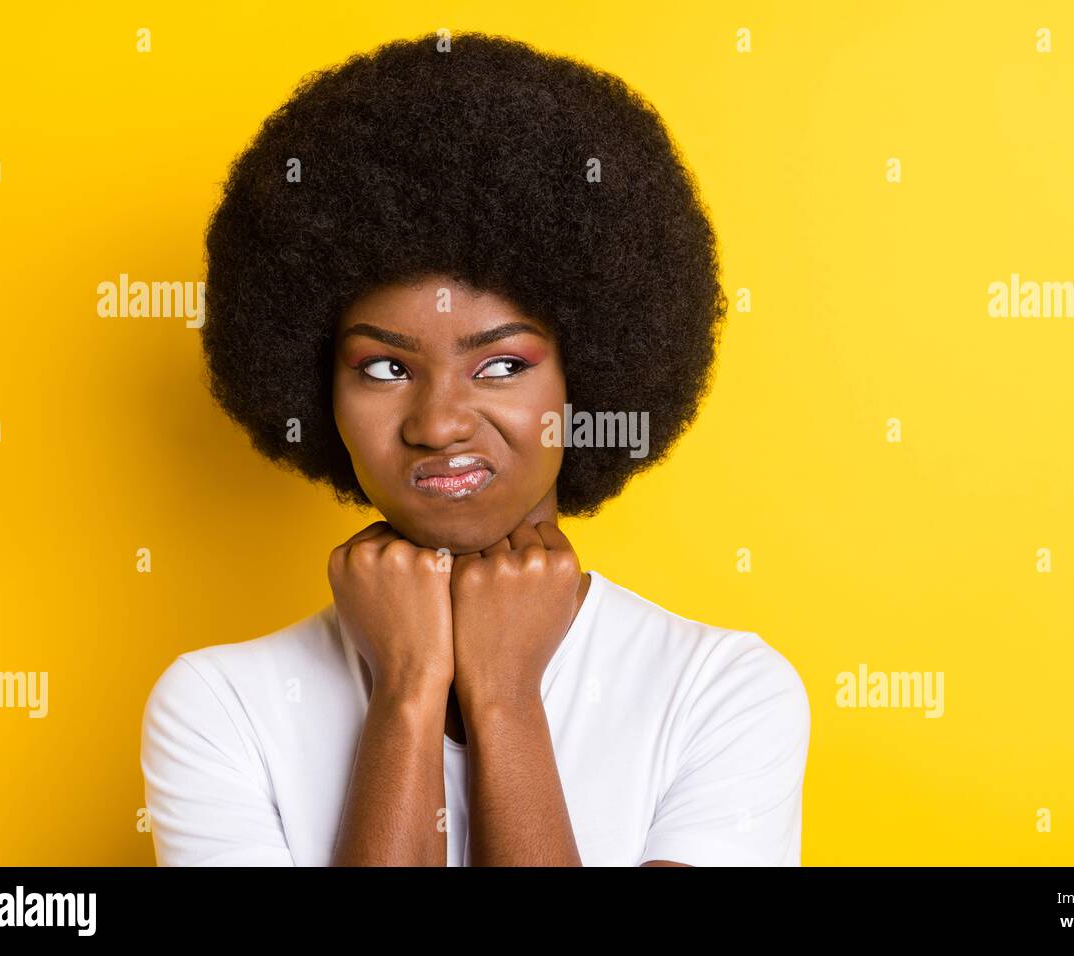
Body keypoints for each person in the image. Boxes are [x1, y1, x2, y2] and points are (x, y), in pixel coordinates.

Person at [140, 30, 810, 866]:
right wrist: (408, 695)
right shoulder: (220, 706)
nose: (440, 422)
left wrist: (504, 697)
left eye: (501, 364)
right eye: (384, 366)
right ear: (320, 393)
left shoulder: (722, 692)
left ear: (588, 375)